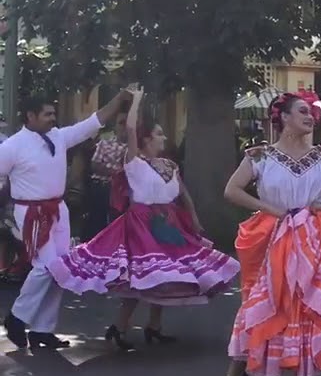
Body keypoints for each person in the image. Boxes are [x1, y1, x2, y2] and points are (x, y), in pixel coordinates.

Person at [48, 86, 240, 350]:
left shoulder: (169, 165)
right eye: (159, 134)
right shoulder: (135, 162)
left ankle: (153, 326)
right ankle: (120, 326)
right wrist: (137, 100)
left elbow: (184, 195)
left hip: (168, 224)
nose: (164, 138)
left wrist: (194, 220)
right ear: (147, 139)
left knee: (165, 278)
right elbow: (130, 129)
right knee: (140, 279)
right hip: (141, 225)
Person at [211, 91, 321, 376]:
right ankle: (234, 375)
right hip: (275, 237)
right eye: (303, 111)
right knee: (261, 302)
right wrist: (268, 208)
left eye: (311, 112)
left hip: (310, 238)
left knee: (307, 303)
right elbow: (232, 190)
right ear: (283, 117)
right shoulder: (260, 155)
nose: (310, 116)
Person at [1, 89, 133, 349]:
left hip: (58, 210)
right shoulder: (12, 146)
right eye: (47, 114)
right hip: (31, 212)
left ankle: (42, 329)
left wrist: (117, 101)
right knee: (46, 266)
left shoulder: (58, 137)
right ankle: (17, 317)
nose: (53, 117)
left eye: (53, 113)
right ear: (31, 116)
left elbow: (92, 123)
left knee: (62, 268)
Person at [84, 113, 129, 239]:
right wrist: (116, 173)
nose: (125, 126)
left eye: (127, 123)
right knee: (97, 222)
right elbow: (94, 165)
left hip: (124, 190)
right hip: (103, 186)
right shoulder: (105, 143)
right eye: (121, 123)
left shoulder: (135, 148)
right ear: (115, 127)